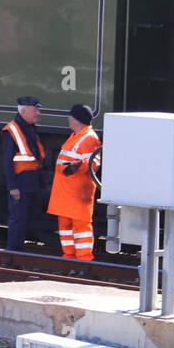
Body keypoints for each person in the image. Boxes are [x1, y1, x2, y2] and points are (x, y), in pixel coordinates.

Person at [47, 103, 101, 260]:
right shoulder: (77, 136)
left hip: (77, 192)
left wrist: (77, 165)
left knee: (81, 227)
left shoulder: (89, 137)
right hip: (66, 192)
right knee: (65, 227)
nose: (68, 118)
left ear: (79, 119)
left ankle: (84, 259)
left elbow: (94, 162)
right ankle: (69, 258)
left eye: (71, 115)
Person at [0, 96, 46, 251]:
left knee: (25, 219)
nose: (37, 113)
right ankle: (13, 252)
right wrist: (12, 187)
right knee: (18, 219)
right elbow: (7, 162)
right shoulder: (12, 131)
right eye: (35, 110)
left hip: (30, 183)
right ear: (24, 110)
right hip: (20, 184)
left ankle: (18, 251)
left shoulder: (30, 128)